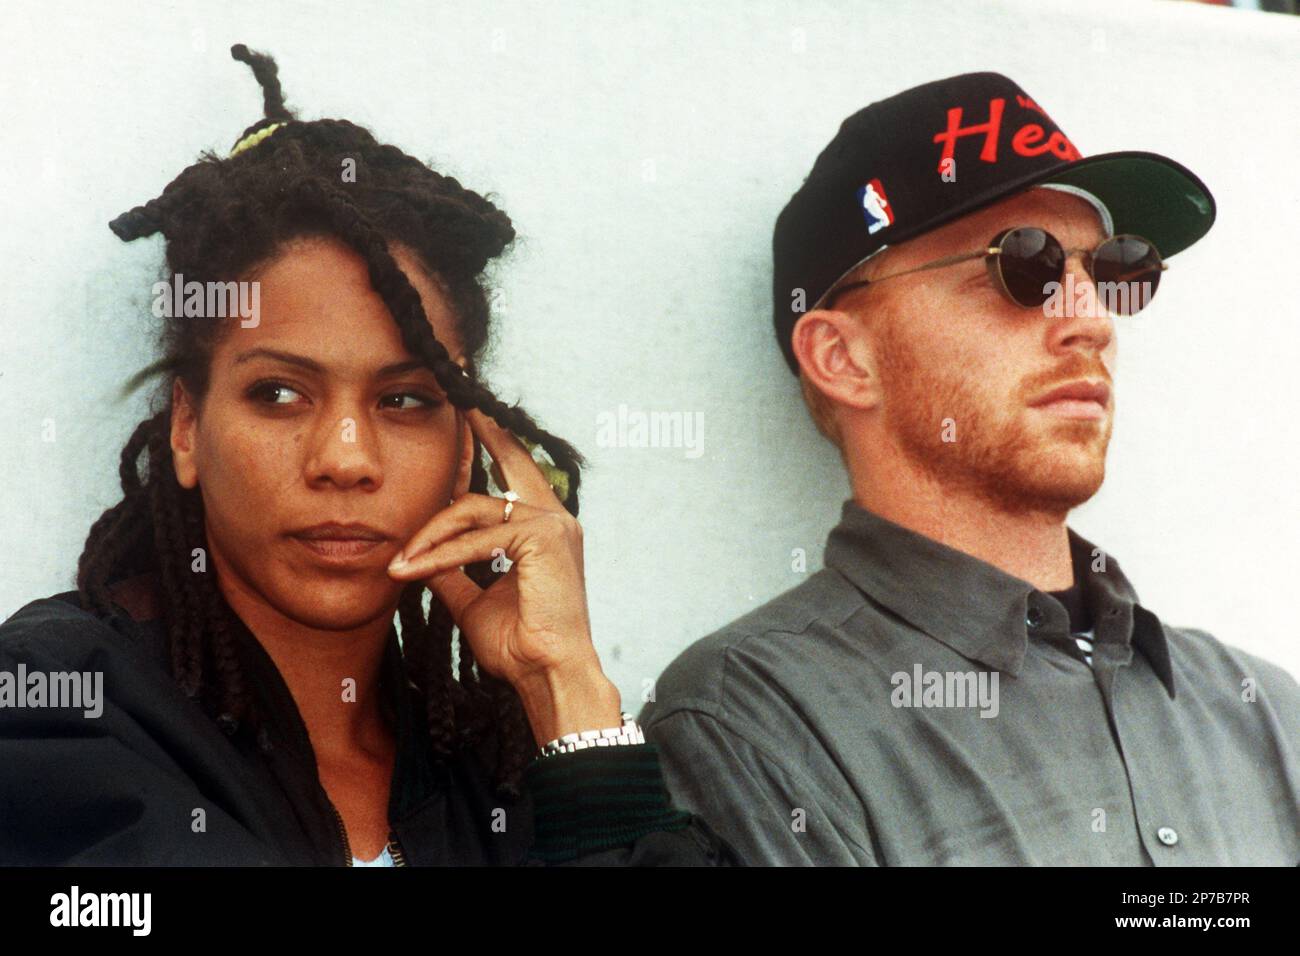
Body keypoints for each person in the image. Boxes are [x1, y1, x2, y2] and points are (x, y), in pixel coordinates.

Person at [0, 44, 732, 866]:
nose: (345, 459)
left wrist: (564, 687)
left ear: (467, 452)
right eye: (280, 394)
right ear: (185, 430)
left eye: (404, 401)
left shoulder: (498, 770)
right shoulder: (60, 701)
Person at [641, 72, 1299, 865]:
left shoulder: (1260, 709)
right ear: (844, 357)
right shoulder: (755, 719)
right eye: (1024, 266)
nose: (1090, 320)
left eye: (1115, 271)